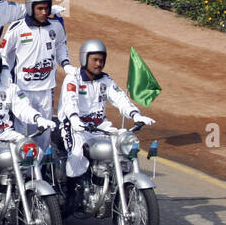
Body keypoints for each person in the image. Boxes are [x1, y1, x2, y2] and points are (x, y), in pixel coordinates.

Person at [57, 40, 154, 212]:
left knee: (124, 148)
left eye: (102, 60)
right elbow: (69, 101)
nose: (99, 63)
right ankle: (71, 197)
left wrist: (136, 114)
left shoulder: (106, 80)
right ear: (84, 58)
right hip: (74, 126)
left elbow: (120, 99)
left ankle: (119, 188)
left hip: (100, 125)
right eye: (95, 59)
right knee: (76, 155)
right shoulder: (73, 79)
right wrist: (73, 118)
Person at [0, 0, 70, 149]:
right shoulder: (17, 29)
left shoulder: (56, 27)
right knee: (23, 130)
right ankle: (22, 167)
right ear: (31, 8)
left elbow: (61, 46)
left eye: (47, 8)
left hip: (46, 90)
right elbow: (3, 53)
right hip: (23, 89)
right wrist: (5, 75)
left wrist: (66, 64)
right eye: (40, 8)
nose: (44, 12)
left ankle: (42, 165)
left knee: (45, 130)